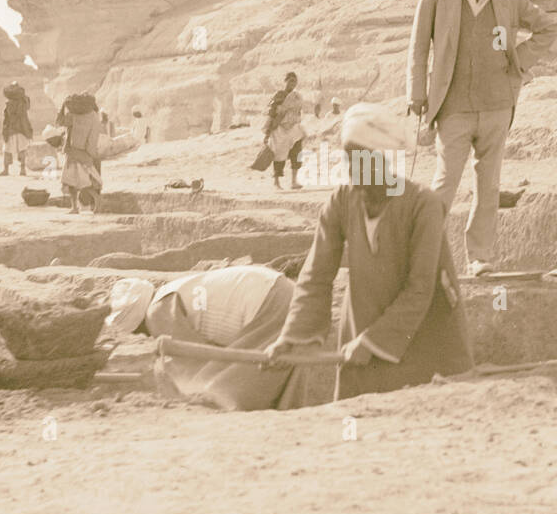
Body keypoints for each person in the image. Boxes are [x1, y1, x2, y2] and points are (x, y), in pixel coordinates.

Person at [265, 102, 473, 400]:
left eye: (362, 160)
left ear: (385, 161)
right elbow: (316, 276)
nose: (352, 170)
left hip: (421, 336)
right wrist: (291, 338)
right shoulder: (342, 201)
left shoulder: (423, 205)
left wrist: (374, 341)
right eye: (349, 160)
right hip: (361, 325)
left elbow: (420, 288)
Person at [407, 0, 557, 275]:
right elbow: (418, 48)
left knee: (488, 186)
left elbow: (549, 28)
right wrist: (416, 95)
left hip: (497, 105)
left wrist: (518, 60)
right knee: (444, 183)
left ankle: (479, 258)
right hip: (453, 107)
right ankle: (423, 254)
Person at [106, 266, 318, 411]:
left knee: (226, 393)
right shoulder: (171, 292)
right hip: (282, 292)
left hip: (269, 301)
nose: (141, 335)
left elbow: (193, 360)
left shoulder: (157, 311)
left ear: (136, 320)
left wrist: (168, 383)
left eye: (136, 331)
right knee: (274, 366)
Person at [58, 92, 102, 213]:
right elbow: (93, 137)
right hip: (83, 153)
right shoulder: (94, 116)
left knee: (71, 180)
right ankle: (93, 202)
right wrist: (90, 153)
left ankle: (76, 207)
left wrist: (62, 107)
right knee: (82, 180)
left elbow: (60, 122)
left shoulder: (72, 114)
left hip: (72, 151)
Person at [263, 72, 305, 190]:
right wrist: (267, 131)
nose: (293, 83)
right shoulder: (279, 95)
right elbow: (272, 113)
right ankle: (276, 182)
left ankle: (293, 181)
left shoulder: (297, 96)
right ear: (285, 81)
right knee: (279, 154)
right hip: (280, 129)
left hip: (294, 128)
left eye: (295, 81)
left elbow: (298, 111)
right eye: (291, 80)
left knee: (297, 152)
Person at [0, 81, 33, 177]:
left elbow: (8, 118)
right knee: (22, 149)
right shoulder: (24, 102)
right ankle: (22, 170)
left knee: (7, 150)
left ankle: (6, 170)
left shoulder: (10, 104)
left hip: (12, 130)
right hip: (23, 129)